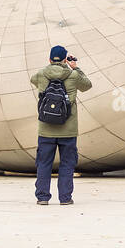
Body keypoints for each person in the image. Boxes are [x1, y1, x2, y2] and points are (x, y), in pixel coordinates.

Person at [30, 45, 93, 205]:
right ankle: (65, 198)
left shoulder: (42, 74)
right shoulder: (73, 75)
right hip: (68, 129)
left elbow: (33, 80)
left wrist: (49, 69)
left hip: (46, 129)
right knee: (67, 164)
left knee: (43, 164)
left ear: (50, 59)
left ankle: (42, 197)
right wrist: (75, 68)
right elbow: (87, 85)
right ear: (66, 59)